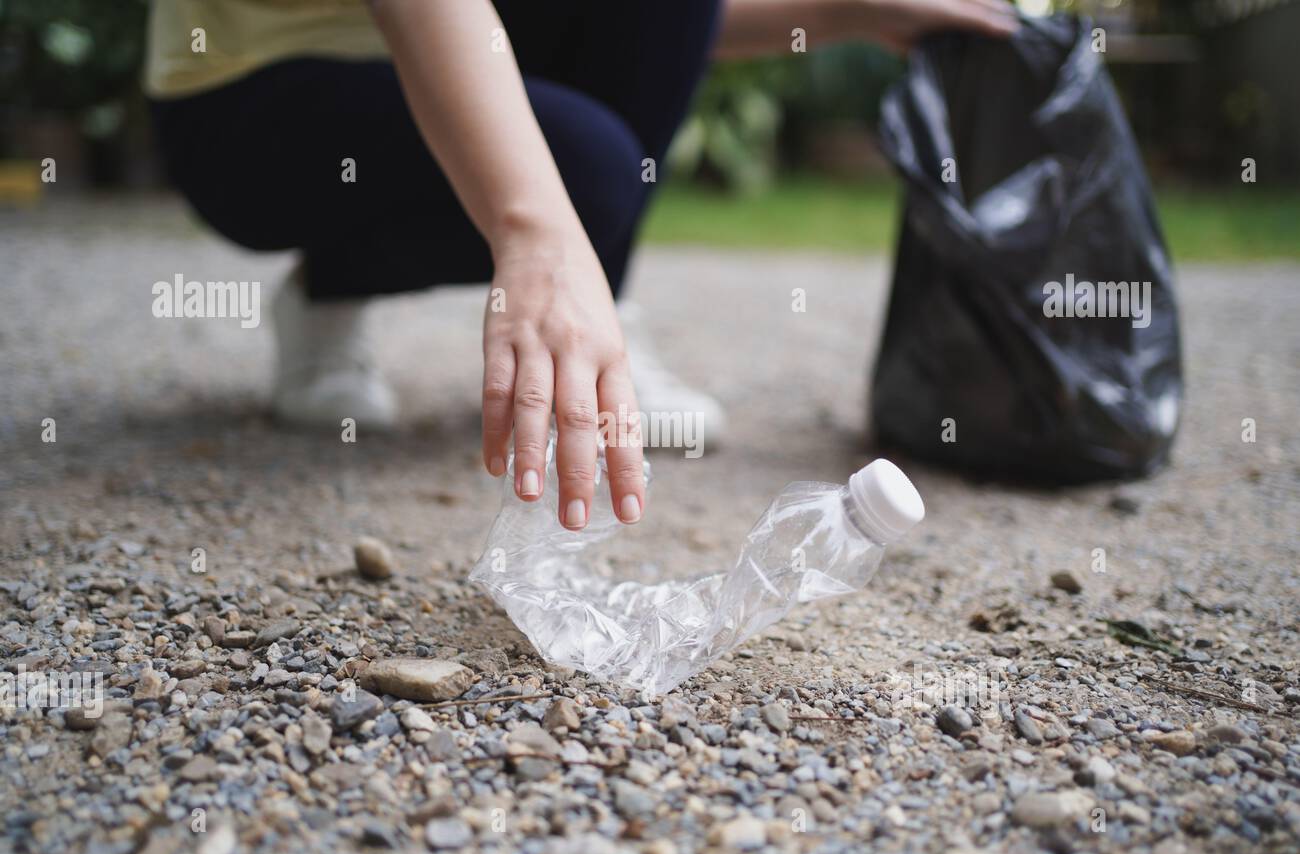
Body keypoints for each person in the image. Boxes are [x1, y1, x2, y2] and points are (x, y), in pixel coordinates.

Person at [145, 0, 1018, 532]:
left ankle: (602, 315)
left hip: (439, 67)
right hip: (243, 102)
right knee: (586, 172)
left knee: (591, 164)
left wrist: (850, 10)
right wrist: (536, 232)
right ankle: (335, 296)